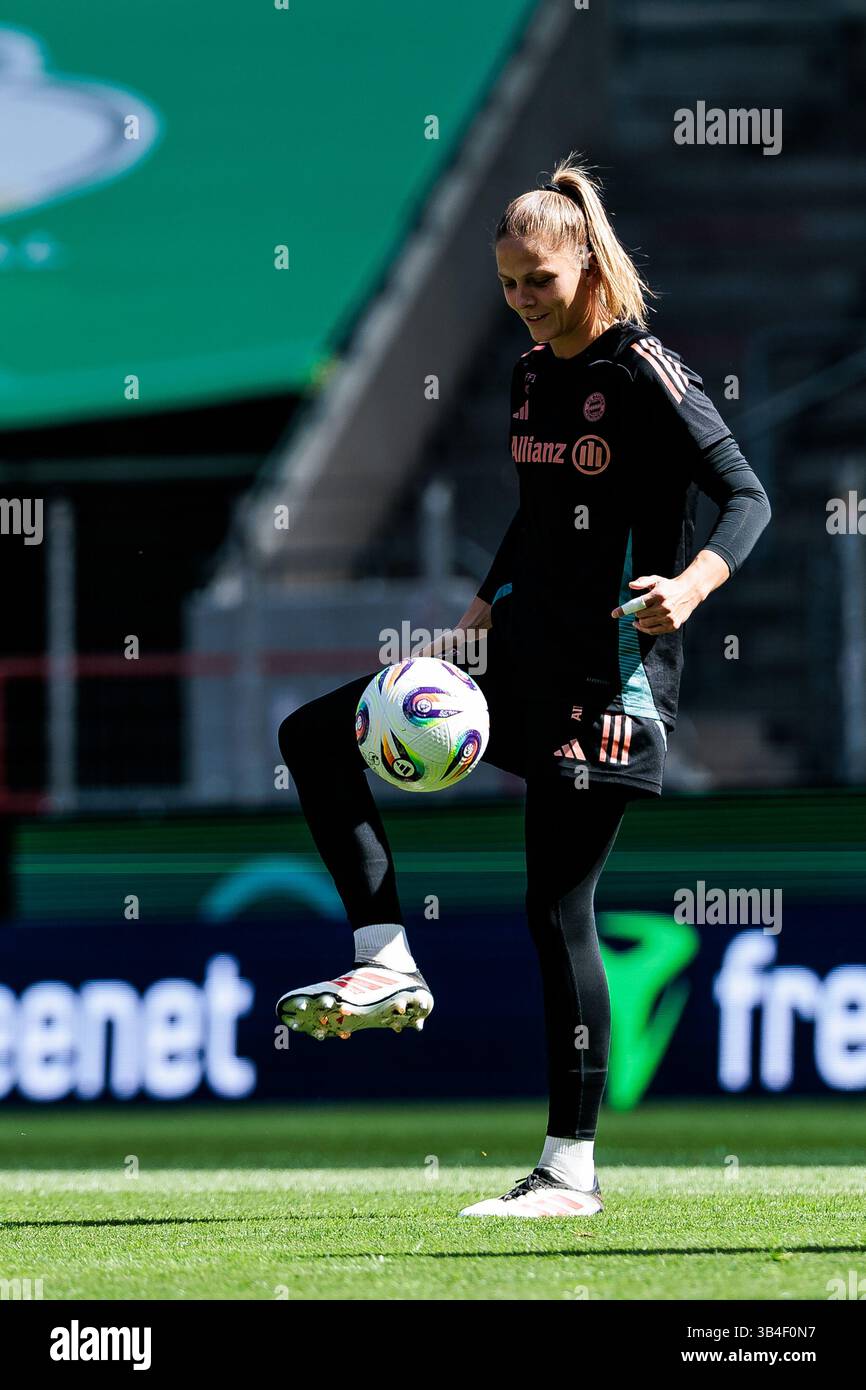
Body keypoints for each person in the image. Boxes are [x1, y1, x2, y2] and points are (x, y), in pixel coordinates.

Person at [275, 153, 771, 1218]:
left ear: (582, 263)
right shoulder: (529, 374)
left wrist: (688, 586)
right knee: (315, 734)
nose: (521, 302)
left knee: (555, 912)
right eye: (505, 284)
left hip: (612, 676)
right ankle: (385, 961)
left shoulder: (645, 371)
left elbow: (746, 495)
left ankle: (568, 1172)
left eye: (536, 282)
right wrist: (484, 601)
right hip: (513, 660)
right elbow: (537, 510)